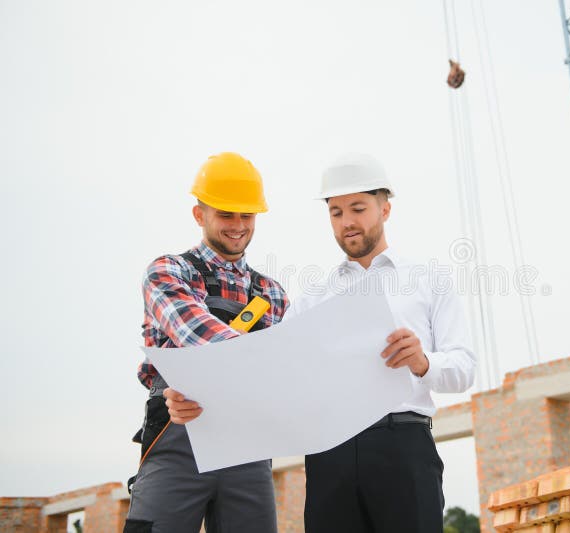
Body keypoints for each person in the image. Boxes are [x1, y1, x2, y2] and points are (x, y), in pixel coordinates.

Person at [293, 153, 477, 533]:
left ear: (385, 209)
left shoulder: (428, 279)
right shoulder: (313, 298)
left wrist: (422, 362)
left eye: (358, 208)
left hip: (404, 447)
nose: (348, 222)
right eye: (336, 212)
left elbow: (463, 369)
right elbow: (286, 375)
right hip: (331, 452)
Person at [124, 152, 289, 533]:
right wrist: (262, 364)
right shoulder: (169, 271)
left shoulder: (272, 293)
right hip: (178, 432)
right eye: (225, 214)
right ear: (200, 215)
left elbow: (286, 374)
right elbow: (197, 335)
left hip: (248, 443)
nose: (237, 225)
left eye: (246, 215)